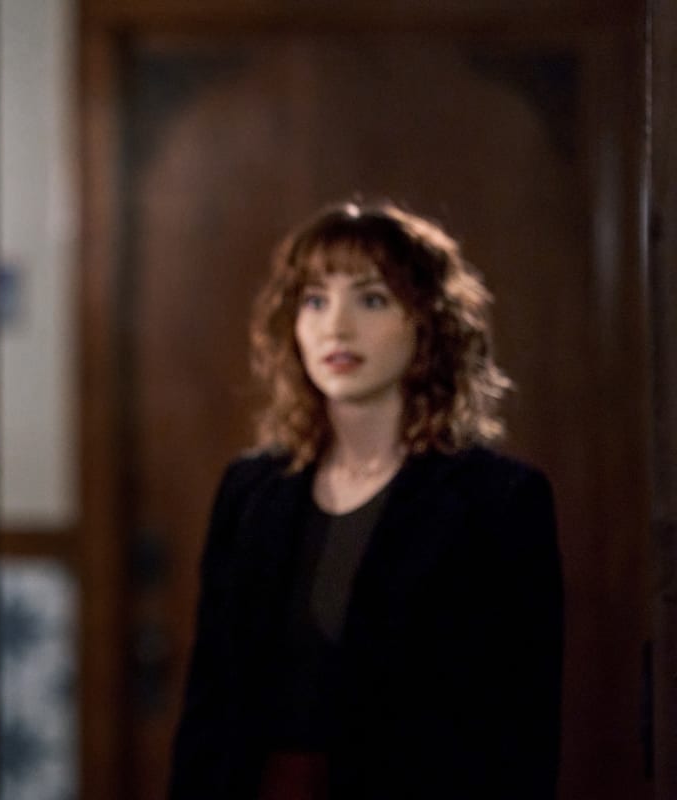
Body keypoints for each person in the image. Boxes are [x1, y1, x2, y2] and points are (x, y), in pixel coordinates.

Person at [169, 201, 563, 799]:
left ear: (428, 320)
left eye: (371, 299)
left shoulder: (497, 501)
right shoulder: (251, 491)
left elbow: (520, 733)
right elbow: (209, 711)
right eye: (314, 300)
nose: (337, 327)